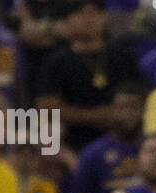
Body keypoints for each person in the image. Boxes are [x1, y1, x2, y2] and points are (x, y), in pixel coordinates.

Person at [33, 0, 140, 153]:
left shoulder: (122, 56)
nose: (89, 19)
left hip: (122, 137)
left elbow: (139, 95)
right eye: (81, 13)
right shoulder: (56, 61)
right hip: (71, 140)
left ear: (104, 17)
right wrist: (95, 116)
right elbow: (46, 107)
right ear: (67, 20)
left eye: (95, 13)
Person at [66, 83, 144, 193]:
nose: (128, 113)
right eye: (121, 108)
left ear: (144, 111)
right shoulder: (93, 154)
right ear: (111, 111)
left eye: (134, 107)